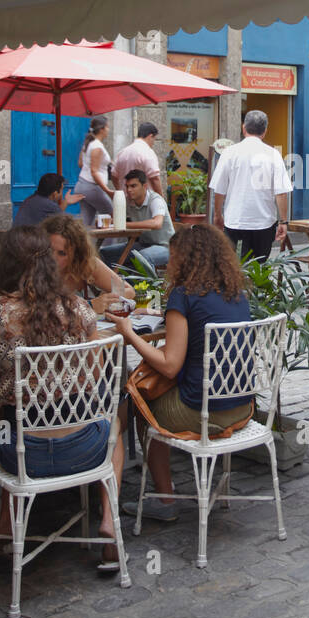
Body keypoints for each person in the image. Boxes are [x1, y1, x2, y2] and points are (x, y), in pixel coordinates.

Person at [0, 226, 125, 571]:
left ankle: (5, 532)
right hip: (84, 450)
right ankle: (108, 520)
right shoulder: (78, 308)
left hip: (22, 456)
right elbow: (94, 378)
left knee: (12, 422)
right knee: (114, 423)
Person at [107, 223, 256, 523]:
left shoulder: (183, 295)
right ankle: (111, 456)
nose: (168, 264)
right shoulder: (235, 293)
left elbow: (170, 364)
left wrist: (128, 333)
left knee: (140, 401)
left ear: (185, 260)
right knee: (148, 396)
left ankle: (163, 497)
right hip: (241, 407)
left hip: (204, 412)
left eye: (172, 257)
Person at [209, 109, 292, 262]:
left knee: (237, 270)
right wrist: (283, 221)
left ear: (243, 128)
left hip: (235, 222)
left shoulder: (229, 153)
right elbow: (281, 193)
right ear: (265, 131)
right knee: (259, 269)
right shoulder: (273, 154)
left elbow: (219, 189)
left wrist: (217, 215)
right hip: (264, 223)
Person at [41, 214, 136, 316]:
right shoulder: (35, 268)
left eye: (62, 253)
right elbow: (42, 312)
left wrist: (106, 301)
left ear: (76, 254)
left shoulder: (86, 263)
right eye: (48, 249)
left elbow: (129, 291)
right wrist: (90, 305)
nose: (52, 257)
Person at [99, 169, 174, 272]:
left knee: (142, 257)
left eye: (133, 186)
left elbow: (157, 223)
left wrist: (126, 224)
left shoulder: (155, 200)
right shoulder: (128, 201)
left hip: (166, 247)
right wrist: (103, 221)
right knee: (104, 253)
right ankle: (119, 283)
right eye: (127, 186)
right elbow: (114, 219)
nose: (129, 190)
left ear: (145, 186)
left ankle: (144, 287)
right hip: (143, 244)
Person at [74, 116, 114, 222]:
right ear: (102, 129)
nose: (108, 130)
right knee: (113, 217)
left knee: (86, 221)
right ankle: (110, 239)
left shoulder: (88, 144)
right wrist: (107, 190)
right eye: (107, 127)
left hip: (82, 185)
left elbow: (81, 164)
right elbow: (94, 171)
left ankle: (83, 239)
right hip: (92, 187)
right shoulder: (97, 147)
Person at [11, 172, 83, 228]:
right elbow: (64, 221)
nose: (61, 194)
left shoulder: (30, 199)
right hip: (29, 243)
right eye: (61, 190)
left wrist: (66, 202)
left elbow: (56, 214)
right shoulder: (49, 205)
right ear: (54, 193)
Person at [112, 122, 165, 197]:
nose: (153, 143)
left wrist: (120, 190)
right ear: (150, 136)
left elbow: (114, 175)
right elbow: (155, 178)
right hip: (145, 202)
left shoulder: (122, 153)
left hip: (126, 200)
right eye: (154, 139)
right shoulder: (148, 152)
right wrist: (161, 199)